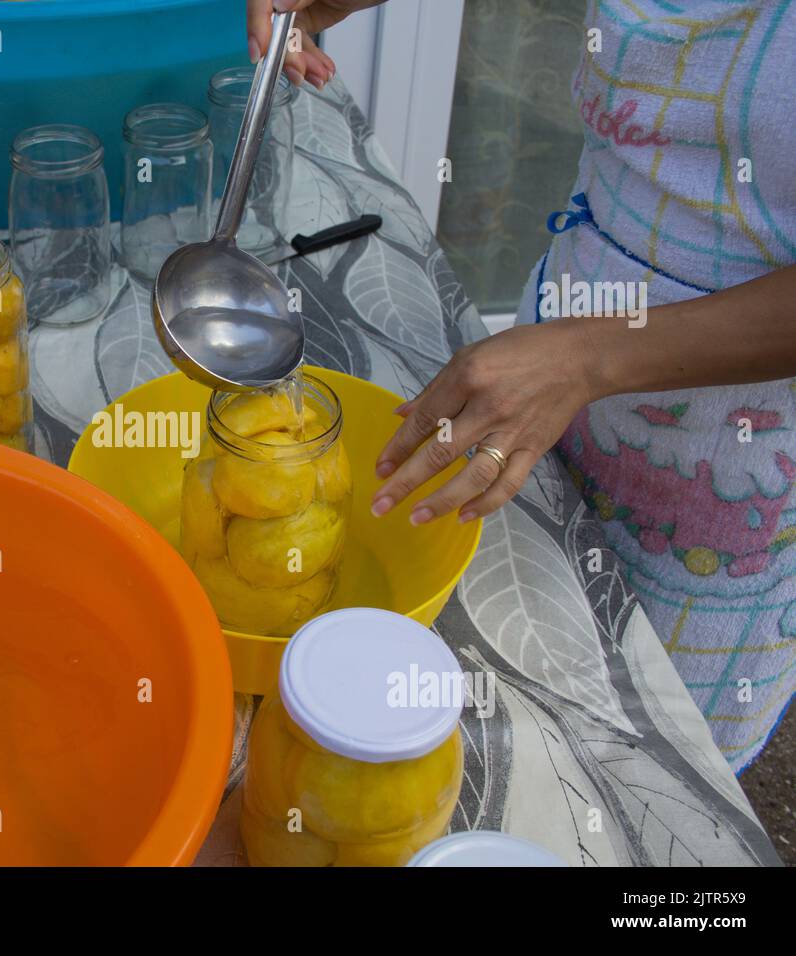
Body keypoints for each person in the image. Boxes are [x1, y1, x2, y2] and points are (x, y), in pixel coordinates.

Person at [249, 0, 796, 771]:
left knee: (645, 769)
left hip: (731, 478)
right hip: (554, 373)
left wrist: (585, 360)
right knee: (515, 708)